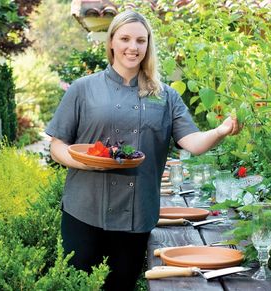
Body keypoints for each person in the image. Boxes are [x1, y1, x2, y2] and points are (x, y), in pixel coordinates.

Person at [46, 10, 241, 291]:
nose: (132, 47)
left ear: (148, 45)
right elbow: (57, 146)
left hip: (135, 216)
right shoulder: (83, 89)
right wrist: (85, 163)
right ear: (112, 42)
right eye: (125, 39)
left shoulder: (165, 96)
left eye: (140, 40)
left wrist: (221, 131)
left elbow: (193, 143)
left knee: (121, 287)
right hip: (84, 211)